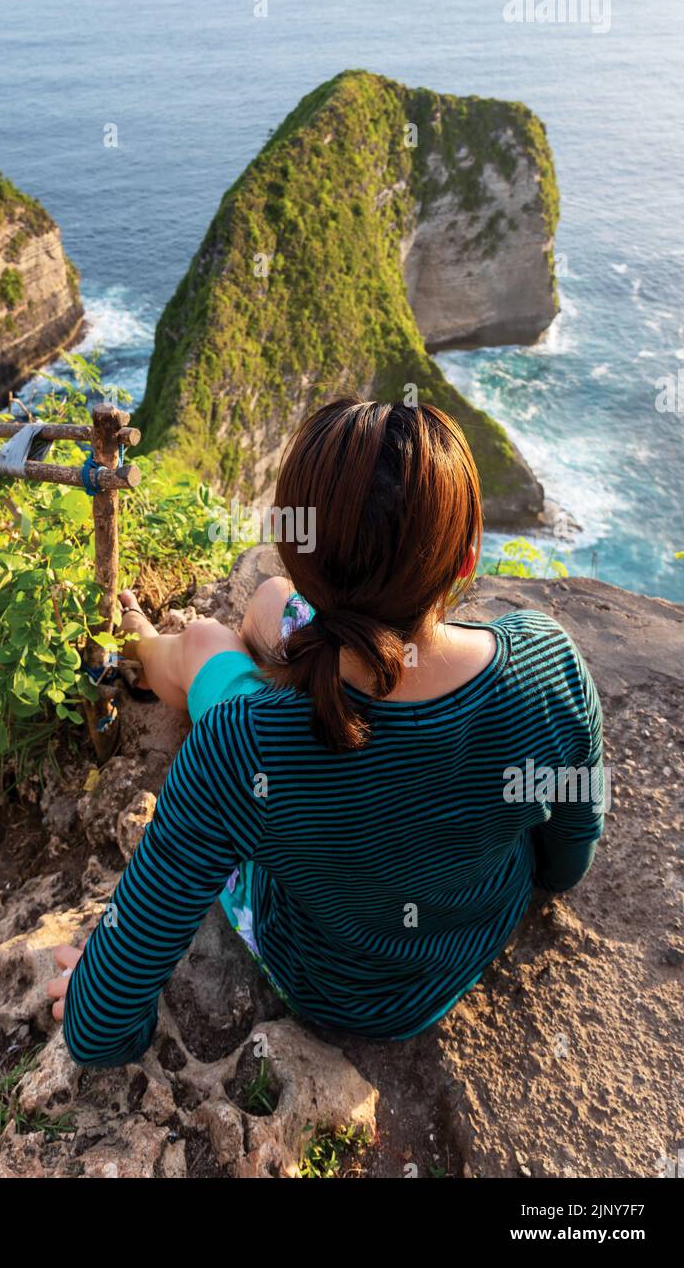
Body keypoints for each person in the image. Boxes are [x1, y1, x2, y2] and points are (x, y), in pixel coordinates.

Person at [48, 398, 604, 1065]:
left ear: (296, 545)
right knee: (271, 604)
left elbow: (97, 1028)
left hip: (325, 985)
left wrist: (101, 994)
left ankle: (139, 648)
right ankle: (215, 641)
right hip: (469, 944)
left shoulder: (239, 744)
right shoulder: (549, 665)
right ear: (465, 558)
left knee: (204, 640)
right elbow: (567, 861)